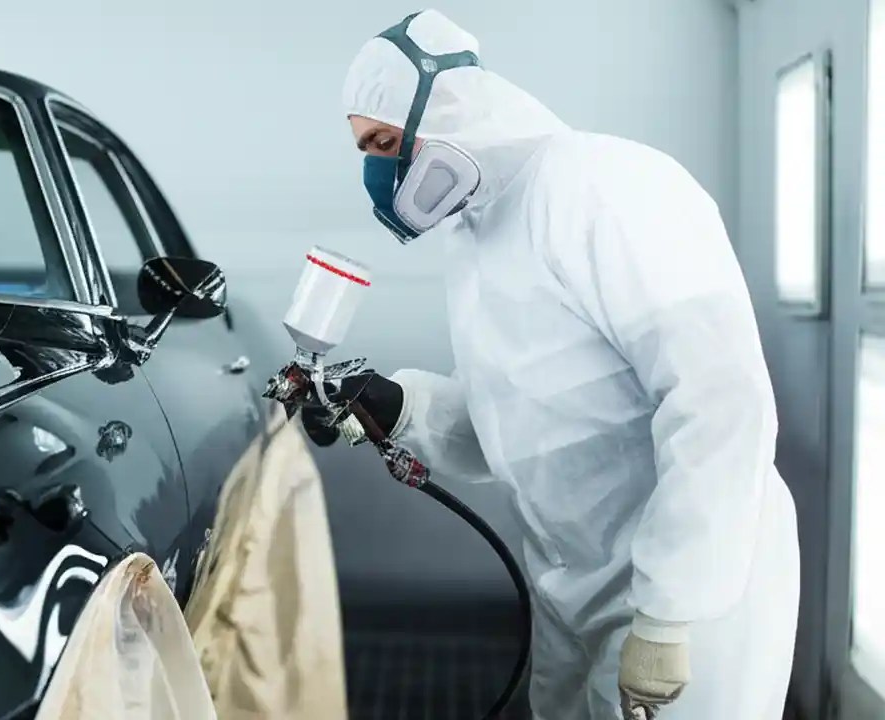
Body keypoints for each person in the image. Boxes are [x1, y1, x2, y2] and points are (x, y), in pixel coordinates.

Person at [310, 9, 801, 719]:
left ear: (445, 109)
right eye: (368, 151)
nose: (379, 171)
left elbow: (719, 399)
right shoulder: (477, 233)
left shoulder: (610, 186)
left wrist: (672, 609)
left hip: (693, 593)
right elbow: (520, 431)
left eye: (385, 143)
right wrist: (403, 407)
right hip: (574, 590)